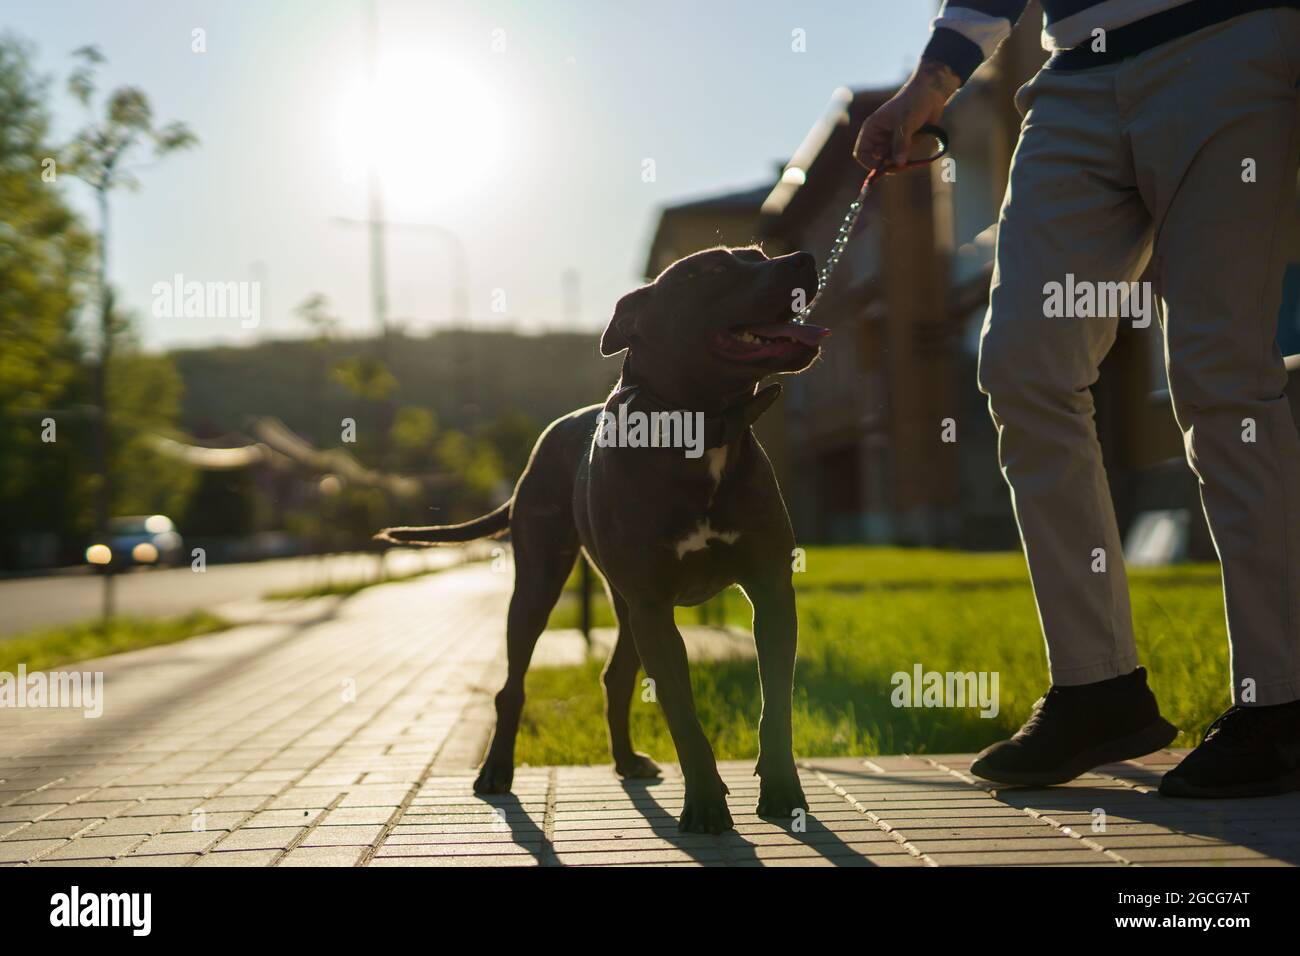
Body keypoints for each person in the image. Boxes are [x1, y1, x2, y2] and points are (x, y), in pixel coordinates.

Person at [855, 0, 1300, 797]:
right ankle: (1098, 687)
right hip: (1077, 77)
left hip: (1232, 41)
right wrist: (932, 80)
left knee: (1218, 372)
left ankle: (1281, 704)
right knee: (1025, 363)